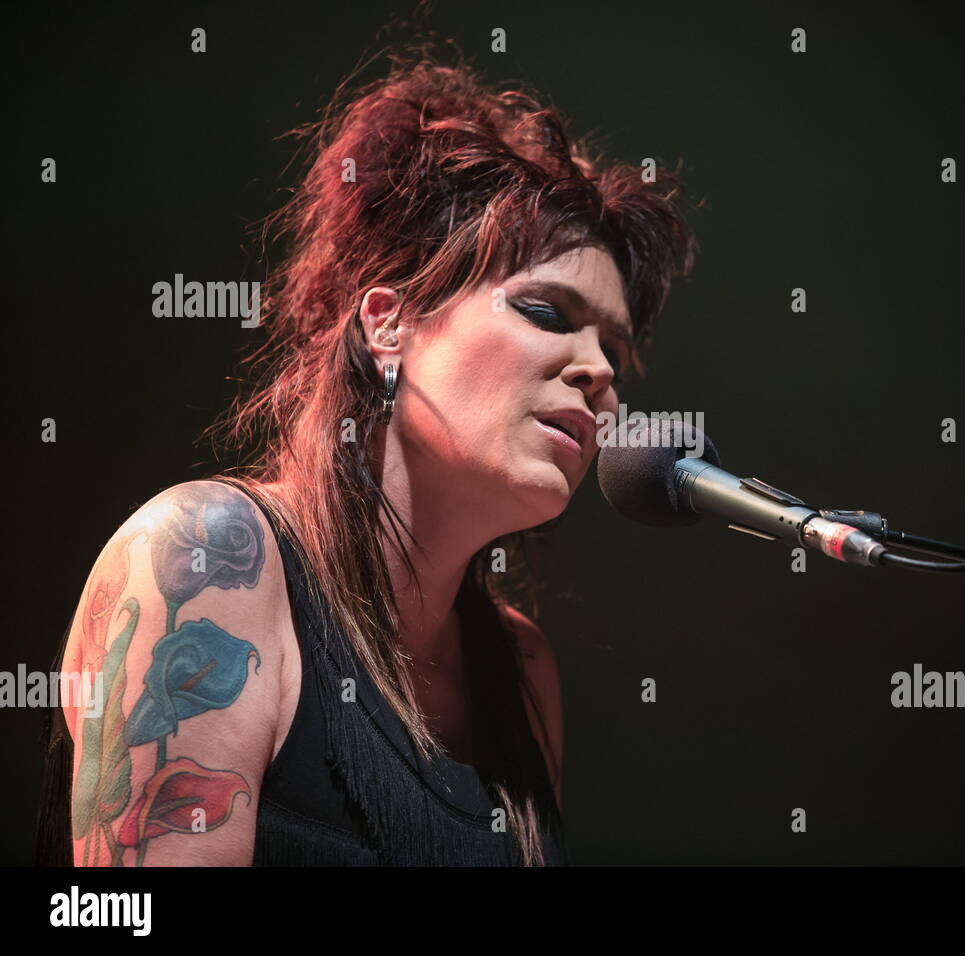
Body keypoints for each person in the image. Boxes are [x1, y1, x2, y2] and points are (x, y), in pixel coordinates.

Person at [35, 40, 697, 866]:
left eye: (614, 350)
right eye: (548, 313)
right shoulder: (208, 562)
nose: (600, 372)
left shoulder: (523, 671)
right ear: (389, 325)